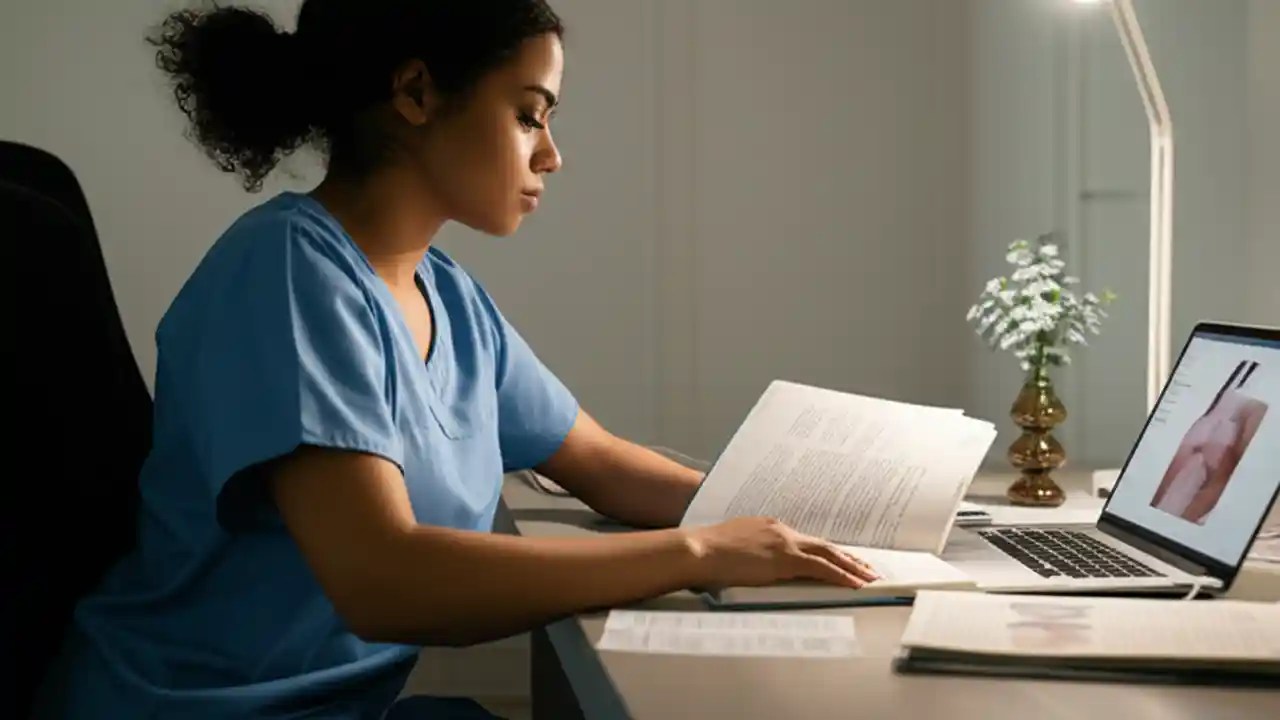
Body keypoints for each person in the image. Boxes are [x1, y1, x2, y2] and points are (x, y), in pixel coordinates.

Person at [30, 1, 878, 718]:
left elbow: (598, 460)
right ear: (417, 91)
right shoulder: (288, 276)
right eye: (528, 113)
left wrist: (822, 526)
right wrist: (701, 554)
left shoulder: (450, 298)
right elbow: (385, 580)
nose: (551, 154)